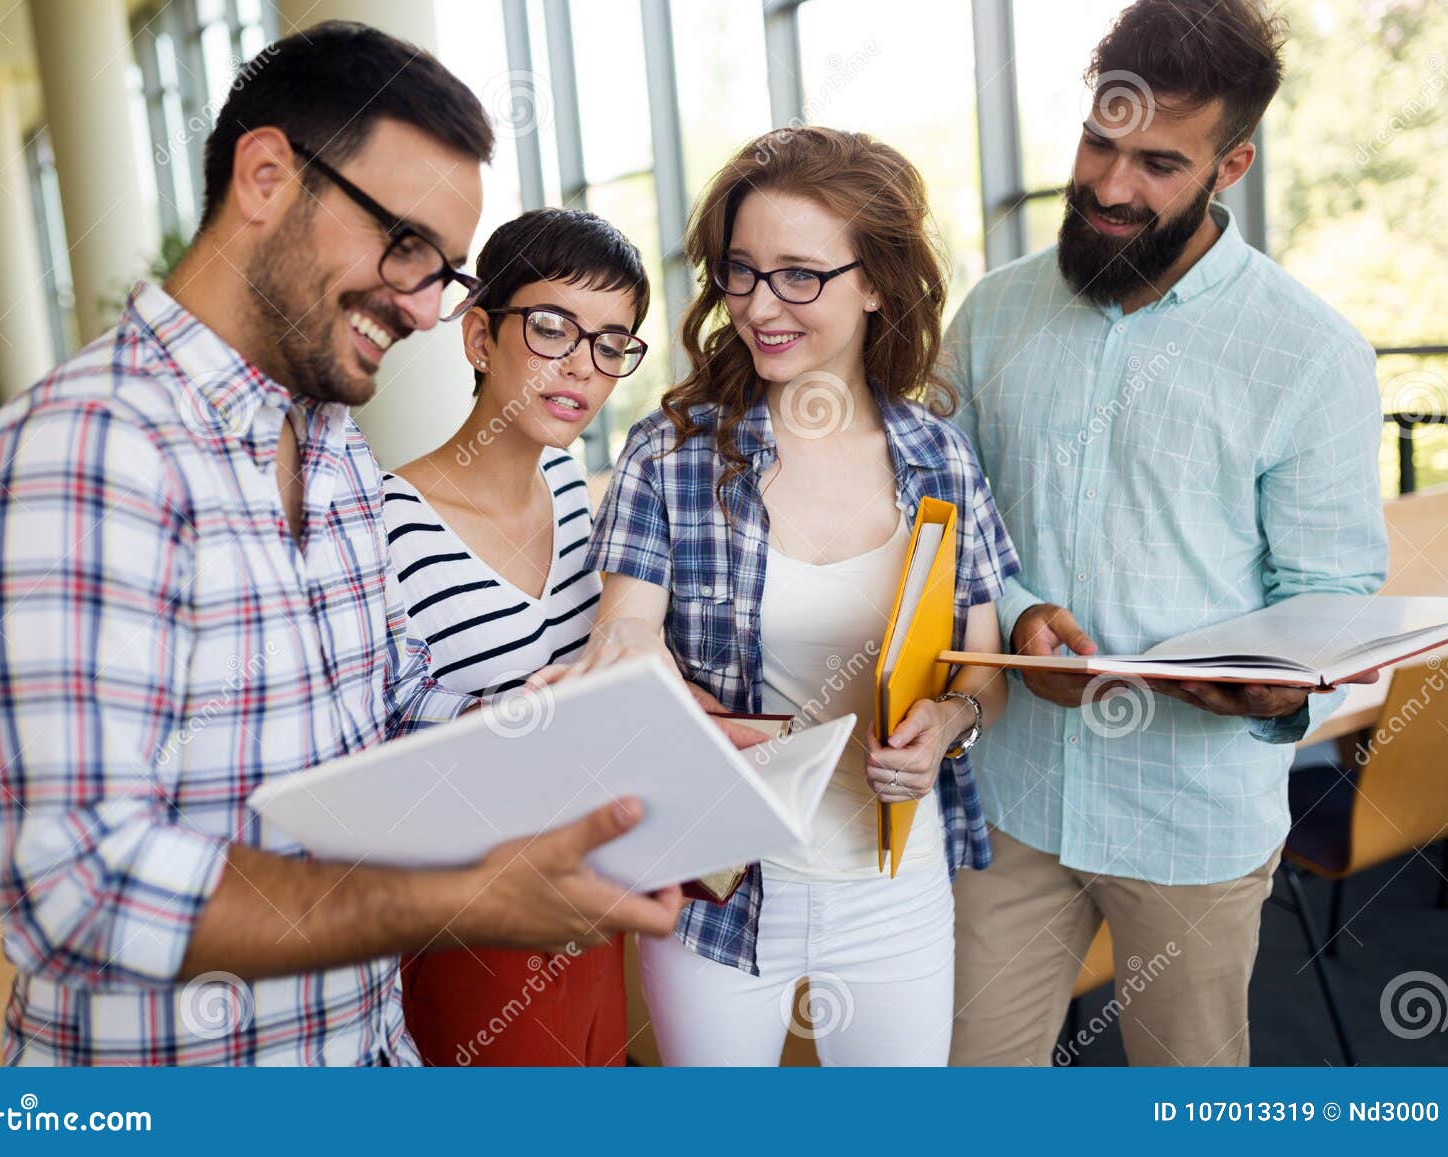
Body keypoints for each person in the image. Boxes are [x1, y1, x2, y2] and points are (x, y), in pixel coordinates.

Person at [0, 21, 680, 1068]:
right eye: (404, 244)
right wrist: (460, 898)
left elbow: (401, 706)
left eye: (442, 272)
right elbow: (79, 893)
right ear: (267, 177)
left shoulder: (331, 450)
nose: (425, 307)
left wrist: (585, 730)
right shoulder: (85, 451)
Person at [945, 0, 1387, 1067]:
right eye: (1099, 141)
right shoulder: (992, 314)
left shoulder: (1311, 353)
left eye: (1156, 163)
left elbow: (1331, 593)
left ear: (1229, 167)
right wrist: (1018, 611)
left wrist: (1281, 688)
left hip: (1190, 816)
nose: (1109, 186)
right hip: (1012, 793)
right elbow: (941, 518)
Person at [562, 126, 1017, 1066]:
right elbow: (625, 630)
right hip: (721, 884)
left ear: (876, 282)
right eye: (741, 271)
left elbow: (983, 668)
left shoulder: (939, 457)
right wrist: (640, 669)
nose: (760, 306)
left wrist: (949, 720)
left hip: (894, 882)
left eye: (799, 276)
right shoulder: (672, 451)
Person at [383, 207, 651, 1066]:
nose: (582, 366)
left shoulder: (572, 485)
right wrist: (515, 714)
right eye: (551, 328)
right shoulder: (386, 525)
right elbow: (375, 728)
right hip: (472, 913)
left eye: (611, 343)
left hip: (588, 886)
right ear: (478, 337)